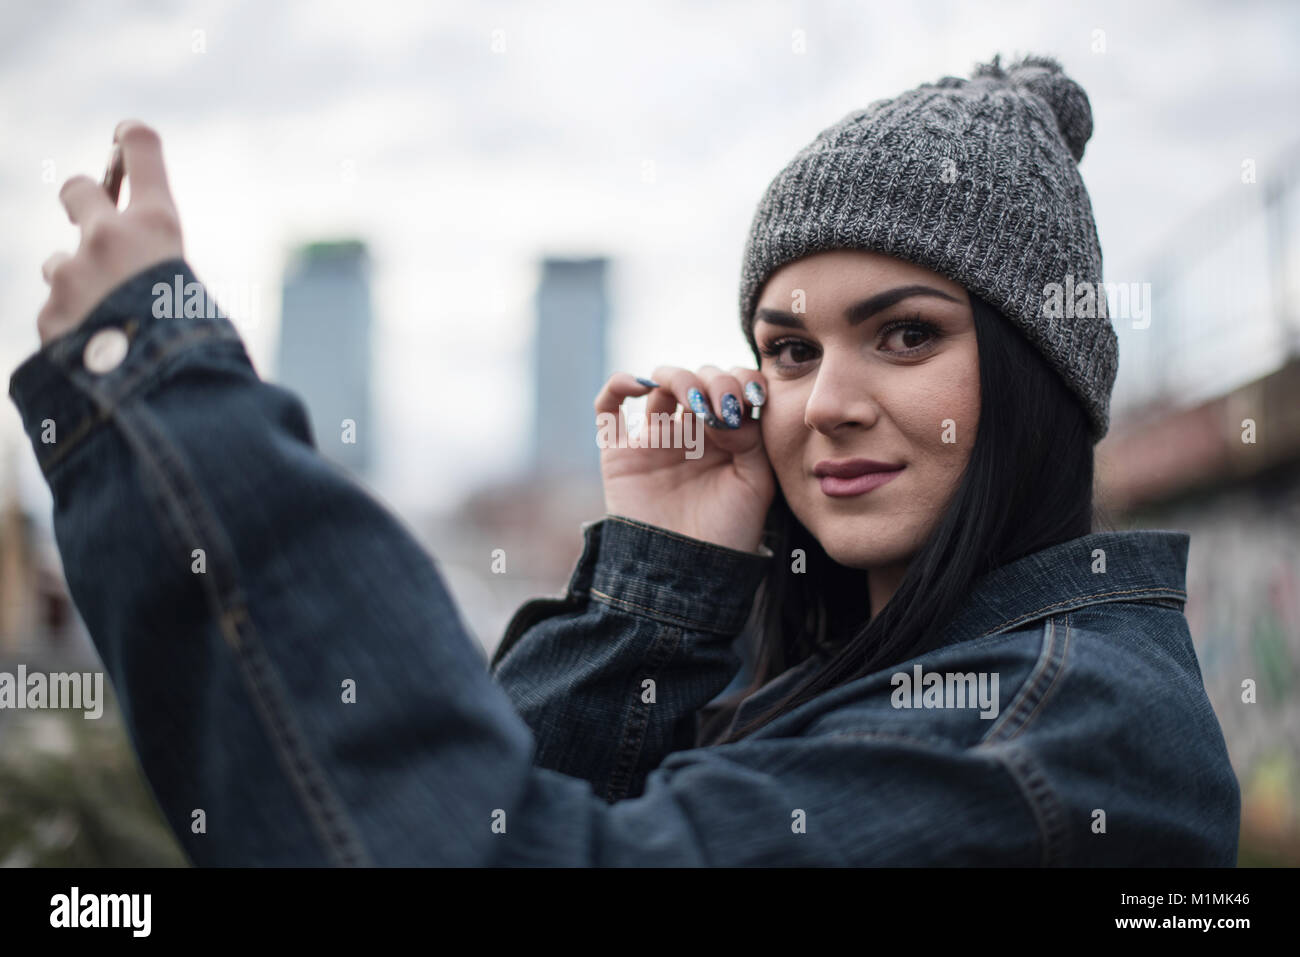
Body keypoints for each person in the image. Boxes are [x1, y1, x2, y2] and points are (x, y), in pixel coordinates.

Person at [11, 53, 1239, 866]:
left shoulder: (1043, 732)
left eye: (905, 335)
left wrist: (164, 393)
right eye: (790, 350)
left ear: (1035, 376)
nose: (824, 405)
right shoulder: (896, 674)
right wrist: (657, 583)